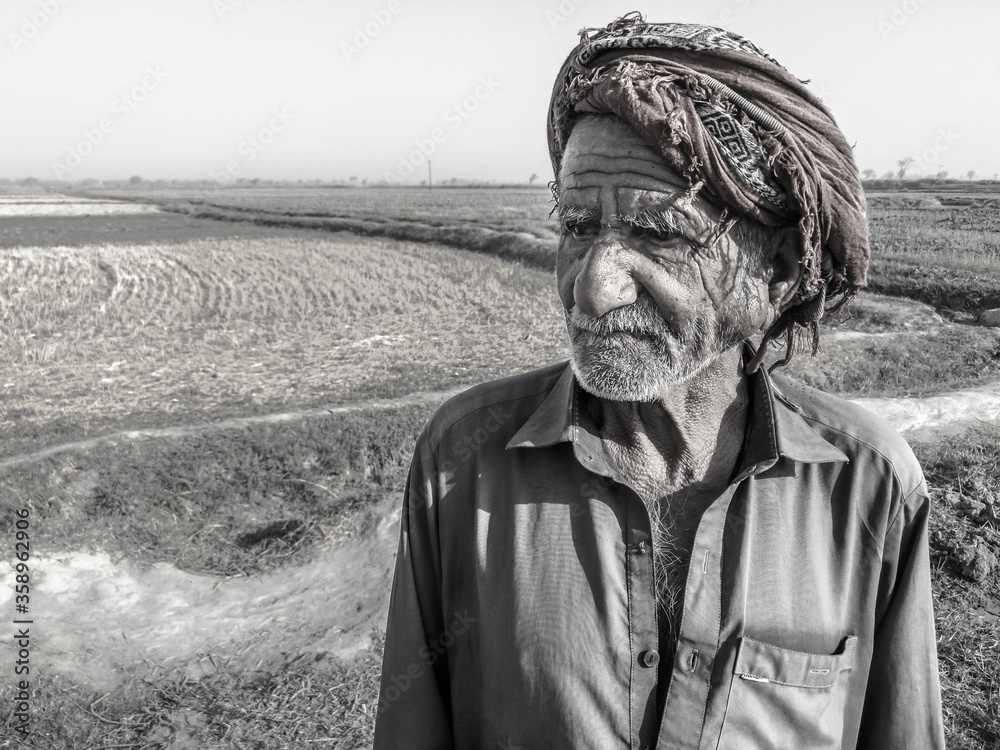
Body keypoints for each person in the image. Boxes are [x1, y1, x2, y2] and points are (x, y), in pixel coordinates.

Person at [373, 15, 945, 750]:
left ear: (776, 273)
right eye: (578, 227)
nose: (594, 288)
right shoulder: (461, 466)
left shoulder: (869, 489)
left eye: (660, 234)